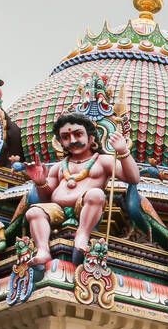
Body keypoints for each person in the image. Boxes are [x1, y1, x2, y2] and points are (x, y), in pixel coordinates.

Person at [24, 112, 139, 267]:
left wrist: (123, 151)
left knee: (96, 194)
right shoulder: (58, 167)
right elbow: (46, 197)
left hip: (87, 207)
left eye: (78, 134)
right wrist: (40, 182)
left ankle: (82, 234)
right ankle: (43, 250)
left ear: (91, 138)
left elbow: (133, 179)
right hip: (59, 210)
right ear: (60, 142)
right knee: (34, 211)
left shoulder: (103, 161)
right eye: (65, 137)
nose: (72, 141)